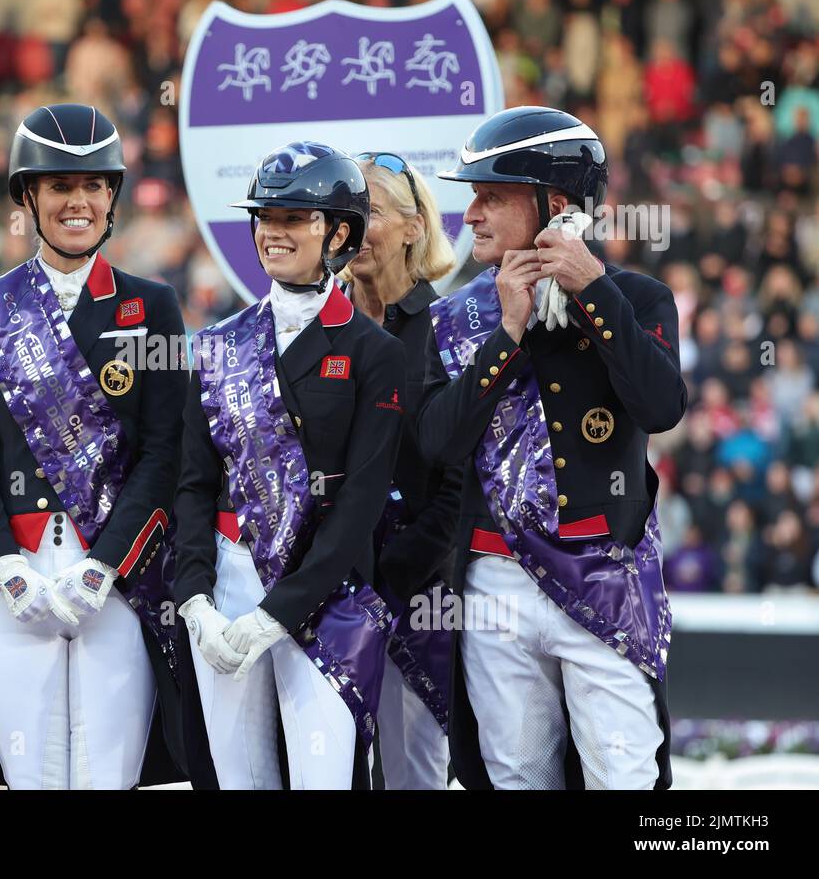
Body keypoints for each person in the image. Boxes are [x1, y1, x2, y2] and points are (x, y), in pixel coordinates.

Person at [419, 106, 685, 789]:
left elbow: (660, 407)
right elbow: (435, 442)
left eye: (491, 197)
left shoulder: (636, 296)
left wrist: (590, 289)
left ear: (555, 204)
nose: (470, 214)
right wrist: (506, 334)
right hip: (492, 582)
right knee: (514, 777)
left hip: (605, 573)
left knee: (624, 777)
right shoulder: (453, 316)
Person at [0, 103, 186, 789]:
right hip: (16, 576)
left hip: (114, 578)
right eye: (59, 186)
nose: (78, 201)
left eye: (93, 186)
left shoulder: (153, 307)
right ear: (28, 196)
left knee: (109, 778)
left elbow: (164, 456)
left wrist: (103, 566)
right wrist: (6, 567)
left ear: (113, 195)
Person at [173, 141, 407, 789]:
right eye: (265, 219)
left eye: (293, 219)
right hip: (226, 588)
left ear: (337, 232)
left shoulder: (374, 353)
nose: (273, 234)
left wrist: (277, 613)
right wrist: (195, 599)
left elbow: (361, 503)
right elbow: (193, 483)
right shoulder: (219, 344)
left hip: (325, 595)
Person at [345, 151, 462, 790]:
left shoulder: (448, 329)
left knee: (415, 774)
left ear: (415, 227)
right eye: (347, 212)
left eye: (372, 213)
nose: (355, 227)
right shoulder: (316, 326)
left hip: (419, 592)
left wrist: (400, 566)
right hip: (325, 588)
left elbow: (463, 473)